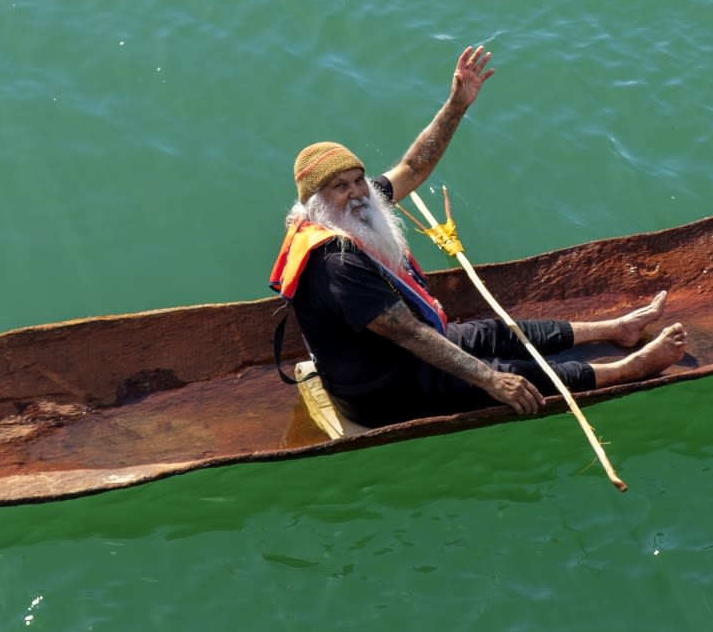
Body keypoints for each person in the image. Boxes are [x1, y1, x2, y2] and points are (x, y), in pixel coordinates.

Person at [269, 45, 688, 427]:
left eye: (357, 180)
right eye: (340, 187)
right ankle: (627, 370)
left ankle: (615, 329)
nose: (358, 193)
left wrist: (457, 104)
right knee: (510, 376)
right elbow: (410, 335)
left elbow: (413, 168)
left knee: (494, 333)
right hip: (381, 390)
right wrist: (490, 379)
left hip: (397, 353)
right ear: (317, 202)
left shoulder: (356, 208)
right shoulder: (336, 263)